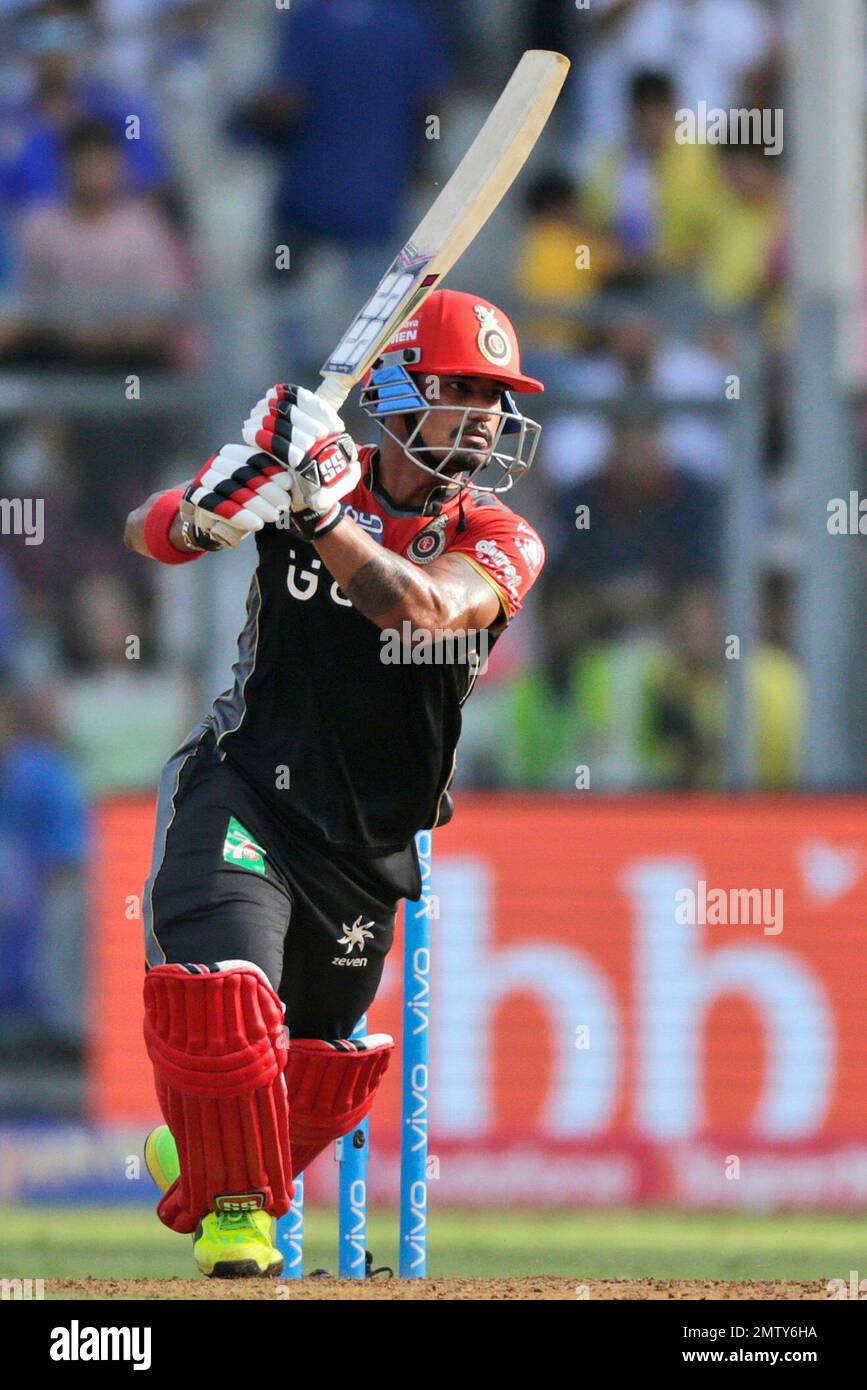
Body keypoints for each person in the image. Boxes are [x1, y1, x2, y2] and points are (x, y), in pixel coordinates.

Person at [124, 288, 546, 1277]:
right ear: (397, 393)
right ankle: (235, 1217)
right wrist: (216, 500)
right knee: (223, 1003)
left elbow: (421, 613)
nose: (486, 417)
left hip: (366, 850)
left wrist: (313, 508)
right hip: (248, 795)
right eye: (465, 391)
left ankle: (201, 1150)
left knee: (318, 1078)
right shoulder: (315, 476)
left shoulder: (501, 537)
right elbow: (152, 533)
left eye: (498, 397)